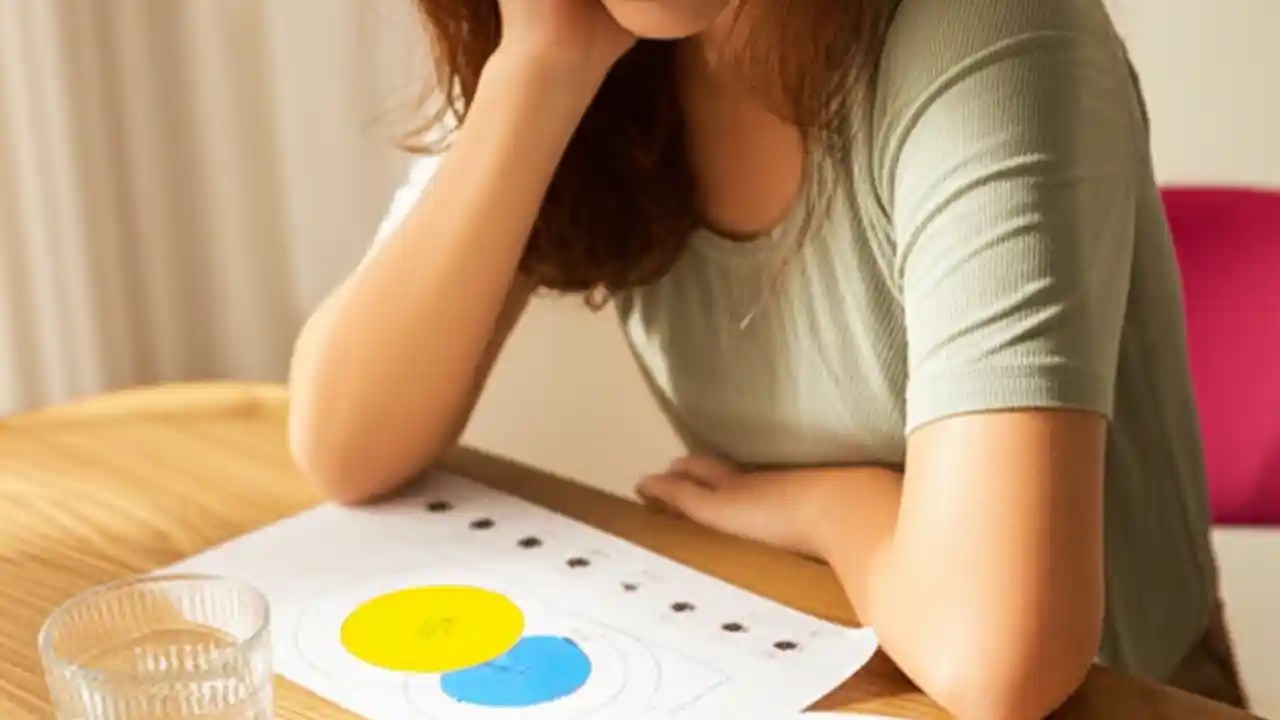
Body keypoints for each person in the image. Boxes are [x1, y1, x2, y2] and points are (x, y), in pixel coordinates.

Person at [287, 0, 1246, 715]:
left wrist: (822, 506)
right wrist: (539, 65)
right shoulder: (619, 47)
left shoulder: (990, 31)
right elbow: (345, 440)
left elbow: (1003, 653)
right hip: (814, 669)